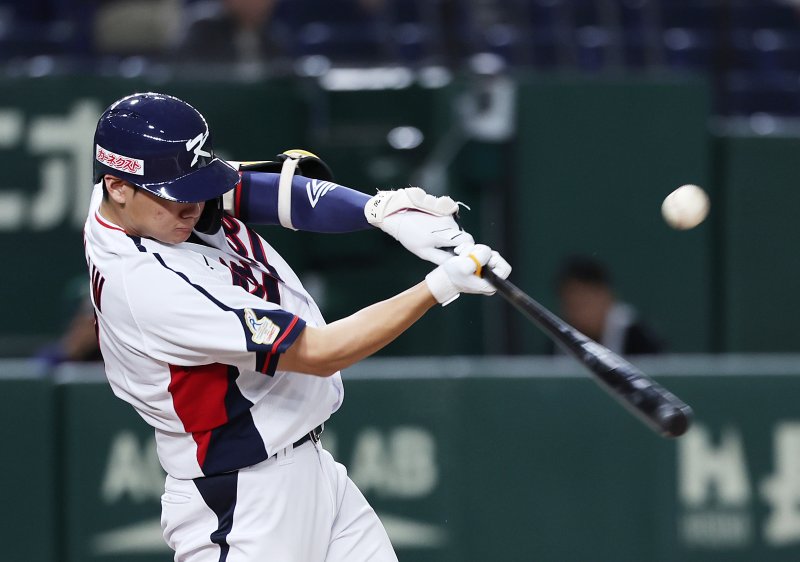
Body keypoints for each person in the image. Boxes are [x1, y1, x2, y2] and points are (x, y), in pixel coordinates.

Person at [83, 92, 510, 561]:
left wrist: (378, 212)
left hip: (309, 472)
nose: (194, 206)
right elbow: (322, 352)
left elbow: (254, 190)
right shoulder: (145, 285)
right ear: (117, 186)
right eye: (176, 194)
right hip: (241, 504)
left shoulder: (132, 199)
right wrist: (440, 286)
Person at [554, 255, 663, 356]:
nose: (578, 313)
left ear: (606, 296)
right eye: (571, 305)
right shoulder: (558, 338)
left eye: (585, 302)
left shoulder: (637, 338)